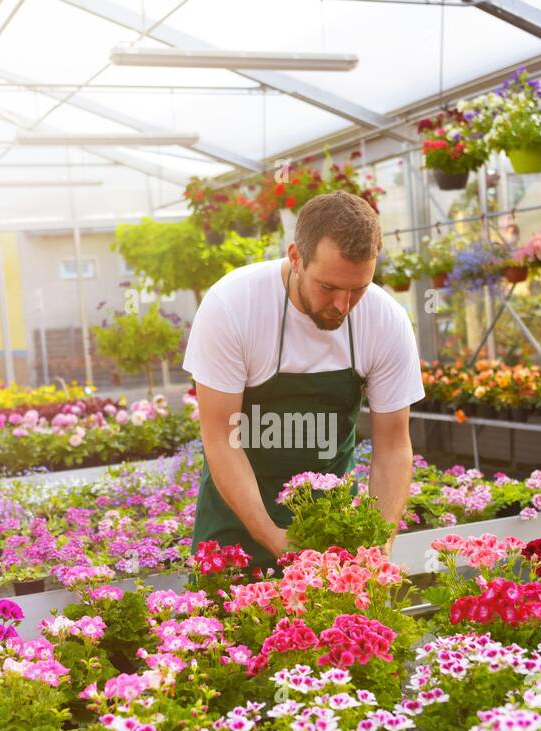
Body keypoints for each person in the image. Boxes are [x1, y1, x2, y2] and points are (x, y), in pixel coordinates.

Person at [182, 190, 424, 571]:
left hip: (326, 523)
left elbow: (393, 445)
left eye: (358, 289)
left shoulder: (385, 320)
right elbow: (220, 439)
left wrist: (378, 547)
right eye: (328, 287)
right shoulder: (233, 306)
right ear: (296, 257)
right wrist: (276, 538)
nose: (343, 306)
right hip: (234, 528)